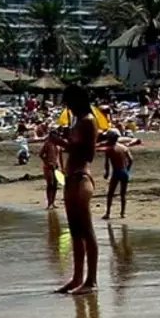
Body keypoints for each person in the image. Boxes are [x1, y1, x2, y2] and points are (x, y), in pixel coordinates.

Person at [48, 85, 99, 295]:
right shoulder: (79, 120)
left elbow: (85, 152)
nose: (67, 106)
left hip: (81, 177)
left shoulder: (87, 120)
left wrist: (60, 141)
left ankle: (91, 281)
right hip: (72, 178)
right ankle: (77, 277)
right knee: (75, 231)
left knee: (86, 230)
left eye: (68, 102)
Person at [102, 130, 133, 220]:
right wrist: (127, 170)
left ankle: (108, 213)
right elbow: (131, 160)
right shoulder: (124, 148)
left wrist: (107, 173)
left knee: (110, 193)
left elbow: (107, 164)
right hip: (124, 172)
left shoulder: (109, 149)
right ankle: (122, 213)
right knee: (123, 194)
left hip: (116, 172)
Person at [39, 135, 64, 210]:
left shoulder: (59, 145)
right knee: (50, 184)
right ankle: (49, 203)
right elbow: (41, 154)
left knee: (55, 185)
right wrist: (46, 162)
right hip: (48, 166)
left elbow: (60, 157)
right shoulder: (48, 144)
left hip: (56, 166)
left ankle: (53, 202)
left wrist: (62, 168)